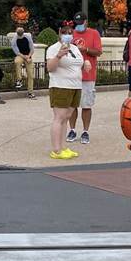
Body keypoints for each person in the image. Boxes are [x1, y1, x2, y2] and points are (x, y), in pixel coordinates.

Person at [46, 20, 83, 160]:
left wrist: (84, 64)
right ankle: (56, 149)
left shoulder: (74, 48)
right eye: (64, 32)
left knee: (67, 117)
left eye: (70, 33)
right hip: (60, 86)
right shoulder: (53, 49)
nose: (68, 35)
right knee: (59, 117)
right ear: (59, 33)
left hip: (75, 86)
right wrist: (59, 55)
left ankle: (62, 146)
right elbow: (50, 67)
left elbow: (78, 63)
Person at [67, 12, 102, 143]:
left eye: (81, 23)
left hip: (88, 76)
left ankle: (85, 131)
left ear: (86, 22)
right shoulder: (71, 34)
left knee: (86, 105)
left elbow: (98, 51)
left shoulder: (94, 33)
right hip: (72, 75)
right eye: (77, 24)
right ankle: (72, 130)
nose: (79, 26)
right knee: (72, 105)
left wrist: (85, 49)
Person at [10, 24, 36, 98]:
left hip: (28, 55)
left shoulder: (28, 37)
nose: (20, 30)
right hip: (21, 55)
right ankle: (19, 80)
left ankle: (30, 92)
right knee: (17, 61)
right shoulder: (14, 40)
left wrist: (29, 56)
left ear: (23, 30)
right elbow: (17, 52)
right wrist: (25, 57)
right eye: (18, 28)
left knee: (30, 75)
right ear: (16, 31)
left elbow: (32, 49)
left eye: (21, 28)